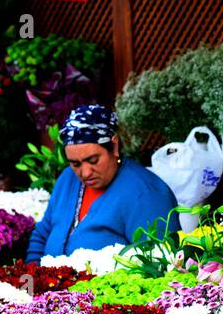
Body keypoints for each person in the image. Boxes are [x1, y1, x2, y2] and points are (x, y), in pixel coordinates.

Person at [26, 104, 180, 261]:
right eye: (75, 164)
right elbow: (43, 234)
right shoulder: (67, 179)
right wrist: (32, 277)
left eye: (93, 160)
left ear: (114, 146)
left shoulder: (147, 195)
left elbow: (158, 264)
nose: (85, 173)